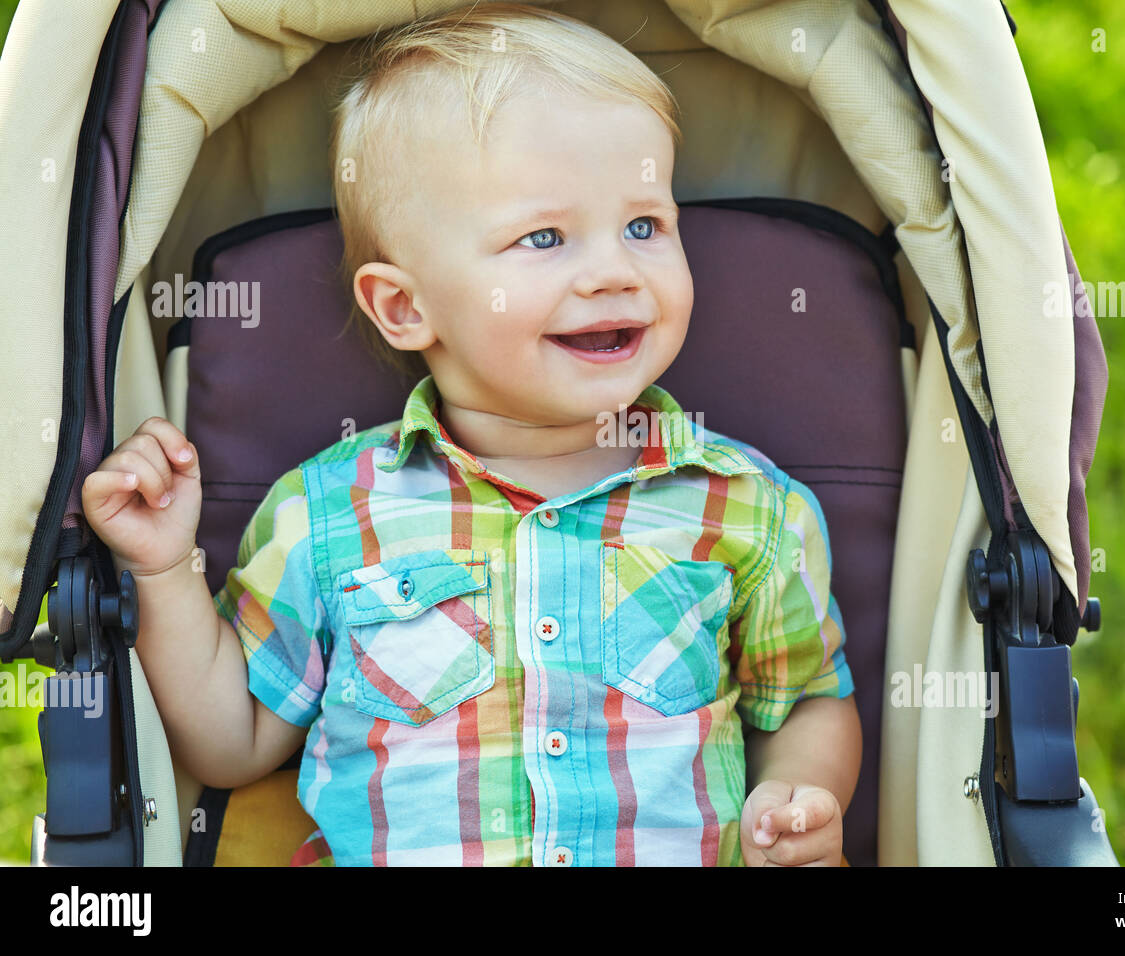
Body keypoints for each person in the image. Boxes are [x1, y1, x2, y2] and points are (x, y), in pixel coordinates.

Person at [82, 2, 861, 866]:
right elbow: (235, 739)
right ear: (406, 307)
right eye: (544, 237)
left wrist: (799, 794)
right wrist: (161, 567)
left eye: (645, 225)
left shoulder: (746, 507)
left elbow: (805, 700)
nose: (614, 271)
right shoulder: (334, 512)